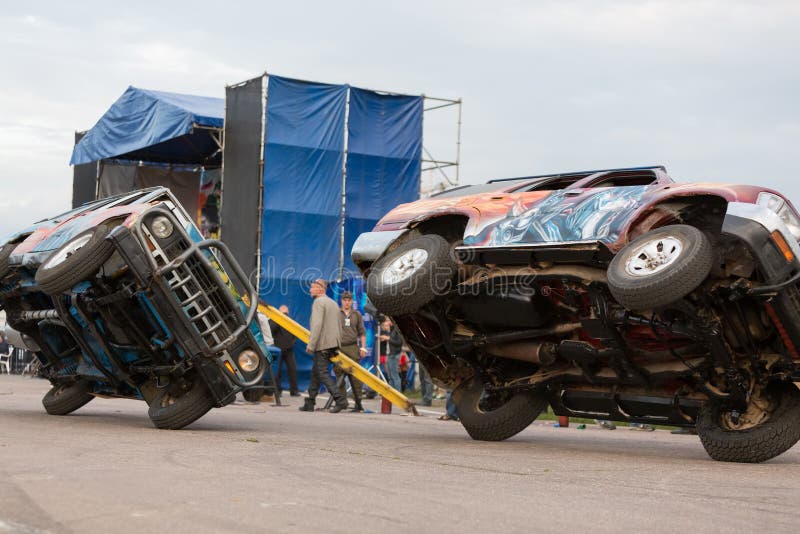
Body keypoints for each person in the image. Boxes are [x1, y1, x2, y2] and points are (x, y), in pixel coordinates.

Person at [300, 279, 348, 413]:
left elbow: (317, 325)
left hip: (323, 343)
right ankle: (310, 402)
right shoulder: (333, 303)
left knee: (322, 373)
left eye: (312, 287)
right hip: (333, 343)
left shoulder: (319, 302)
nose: (310, 290)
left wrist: (311, 344)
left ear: (321, 289)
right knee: (316, 372)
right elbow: (339, 325)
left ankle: (340, 400)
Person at [335, 291, 367, 412]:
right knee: (338, 373)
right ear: (341, 301)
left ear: (352, 301)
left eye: (349, 300)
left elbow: (362, 332)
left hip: (353, 347)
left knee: (355, 376)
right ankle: (342, 401)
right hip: (339, 347)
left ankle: (358, 403)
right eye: (345, 300)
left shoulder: (356, 314)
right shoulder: (336, 313)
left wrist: (363, 347)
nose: (347, 302)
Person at [270, 304, 299, 397]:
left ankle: (294, 391)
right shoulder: (274, 320)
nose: (284, 315)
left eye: (286, 313)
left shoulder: (291, 321)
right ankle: (278, 391)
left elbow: (296, 333)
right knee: (277, 371)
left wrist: (292, 343)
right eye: (283, 313)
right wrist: (279, 318)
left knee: (292, 370)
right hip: (278, 349)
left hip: (289, 350)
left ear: (288, 312)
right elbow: (271, 330)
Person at [385, 321, 404, 391]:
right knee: (390, 376)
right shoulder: (392, 329)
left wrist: (388, 339)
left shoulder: (397, 329)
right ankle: (392, 393)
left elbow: (399, 343)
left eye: (388, 320)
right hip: (390, 354)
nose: (387, 321)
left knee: (395, 376)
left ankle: (398, 394)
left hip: (394, 355)